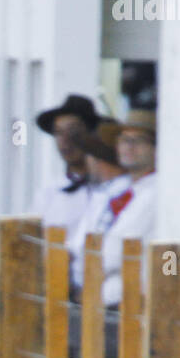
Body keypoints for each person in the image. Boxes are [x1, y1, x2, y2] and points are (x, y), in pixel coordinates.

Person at [99, 109, 157, 307]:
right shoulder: (121, 189)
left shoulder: (155, 192)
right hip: (111, 297)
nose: (129, 147)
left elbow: (112, 253)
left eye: (139, 140)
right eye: (124, 140)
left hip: (132, 300)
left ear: (155, 149)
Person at [67, 118, 127, 294]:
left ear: (96, 159)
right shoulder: (105, 192)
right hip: (92, 288)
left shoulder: (120, 193)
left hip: (105, 291)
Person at [32, 92, 100, 242]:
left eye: (74, 132)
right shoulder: (49, 193)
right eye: (58, 133)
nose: (65, 140)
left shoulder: (109, 189)